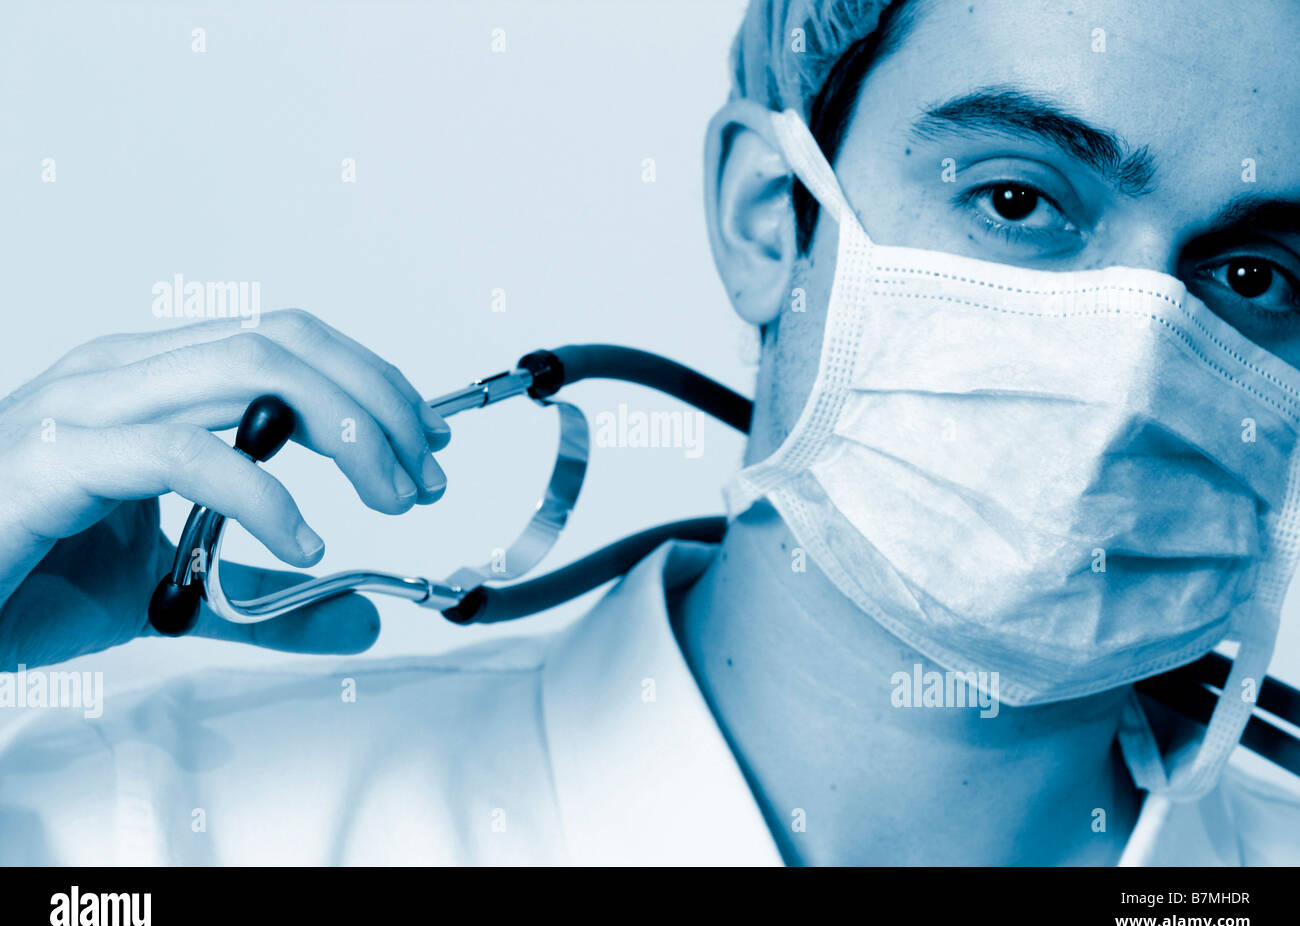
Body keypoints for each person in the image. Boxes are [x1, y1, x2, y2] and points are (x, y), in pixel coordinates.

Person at [2, 0, 1300, 865]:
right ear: (767, 216)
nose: (1132, 362)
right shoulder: (141, 839)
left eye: (1256, 278)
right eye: (1017, 198)